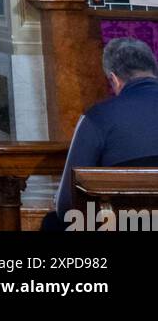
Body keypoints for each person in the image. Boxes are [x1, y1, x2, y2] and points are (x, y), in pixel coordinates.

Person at [44, 38, 158, 229]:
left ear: (113, 79)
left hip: (130, 224)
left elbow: (66, 204)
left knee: (54, 224)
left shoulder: (98, 117)